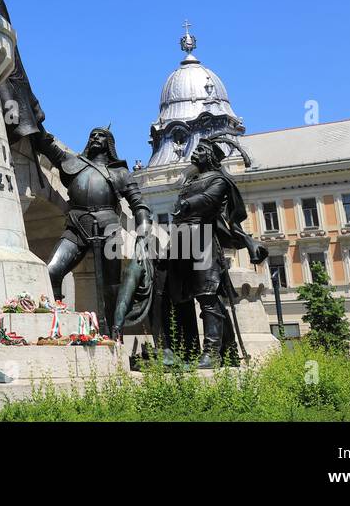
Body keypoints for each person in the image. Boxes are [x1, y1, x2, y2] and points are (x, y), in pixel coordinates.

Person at [162, 138, 268, 367]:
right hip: (181, 240)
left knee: (207, 296)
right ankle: (192, 350)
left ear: (210, 156)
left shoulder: (219, 180)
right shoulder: (190, 181)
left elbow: (209, 200)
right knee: (179, 297)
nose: (195, 153)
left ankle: (212, 352)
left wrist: (188, 204)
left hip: (202, 238)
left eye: (200, 150)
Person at [38, 127, 151, 335]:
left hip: (109, 228)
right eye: (92, 135)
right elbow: (46, 145)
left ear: (109, 143)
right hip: (76, 225)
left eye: (101, 135)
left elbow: (139, 205)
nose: (95, 138)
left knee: (111, 287)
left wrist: (143, 229)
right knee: (52, 271)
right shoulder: (73, 163)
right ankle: (58, 326)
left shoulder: (121, 173)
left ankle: (112, 333)